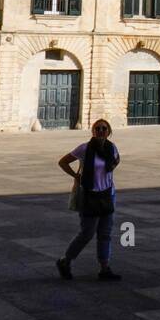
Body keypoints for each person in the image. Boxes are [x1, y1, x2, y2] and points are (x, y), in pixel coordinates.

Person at [56, 119, 121, 281]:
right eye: (97, 128)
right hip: (89, 195)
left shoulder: (112, 147)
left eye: (104, 128)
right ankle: (65, 261)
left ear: (109, 131)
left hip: (107, 194)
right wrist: (76, 176)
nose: (100, 131)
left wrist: (111, 168)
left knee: (105, 234)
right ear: (92, 131)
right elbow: (63, 162)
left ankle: (104, 268)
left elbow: (117, 160)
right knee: (87, 233)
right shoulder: (84, 148)